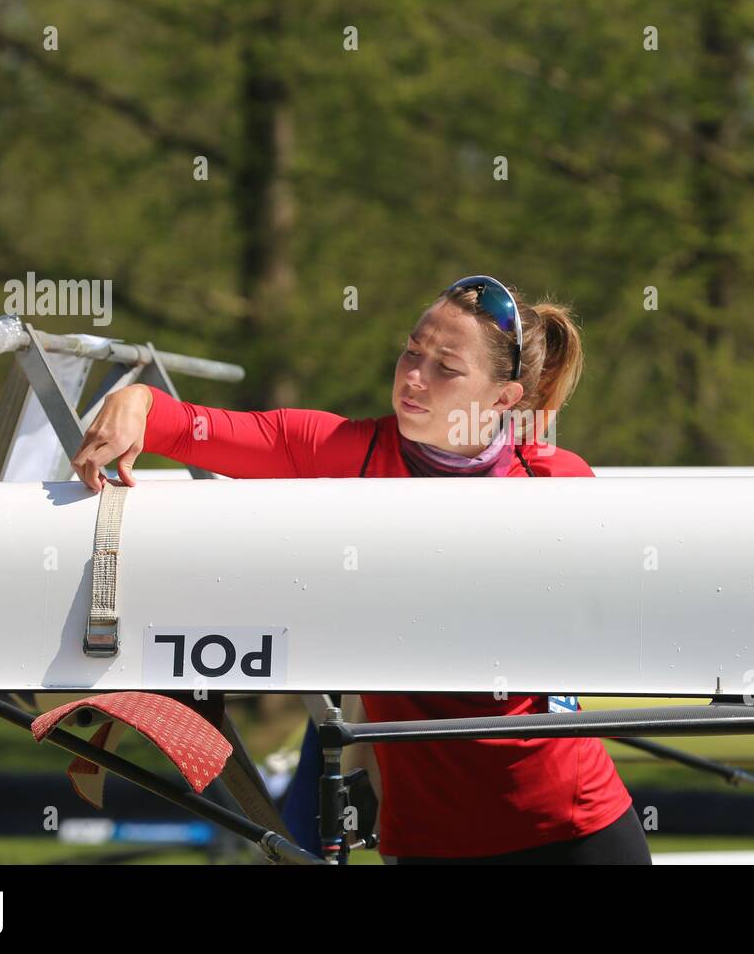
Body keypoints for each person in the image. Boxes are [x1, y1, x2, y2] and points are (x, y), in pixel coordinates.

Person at [70, 275, 651, 864]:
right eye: (412, 350)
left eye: (445, 367)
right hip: (429, 842)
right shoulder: (346, 452)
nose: (413, 376)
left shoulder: (556, 477)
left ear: (503, 398)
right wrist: (134, 401)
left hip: (577, 827)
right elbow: (194, 427)